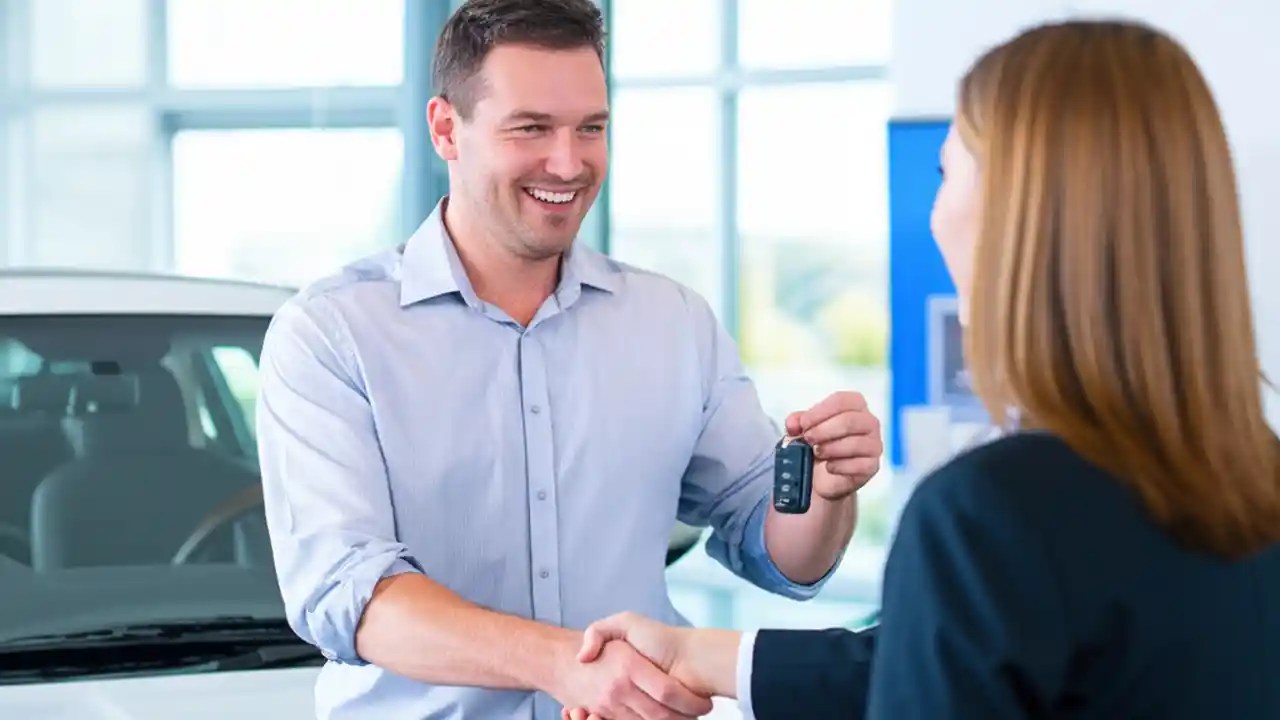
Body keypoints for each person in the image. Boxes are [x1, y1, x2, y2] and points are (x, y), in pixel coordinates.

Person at [562, 18, 1280, 720]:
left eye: (947, 170)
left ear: (1016, 213)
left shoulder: (991, 514)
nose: (935, 213)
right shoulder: (1255, 474)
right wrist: (701, 655)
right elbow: (975, 659)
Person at [254, 1, 885, 718]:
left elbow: (777, 553)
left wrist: (827, 497)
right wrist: (568, 666)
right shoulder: (333, 334)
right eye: (531, 129)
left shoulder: (674, 324)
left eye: (591, 128)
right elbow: (349, 595)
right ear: (444, 129)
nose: (569, 161)